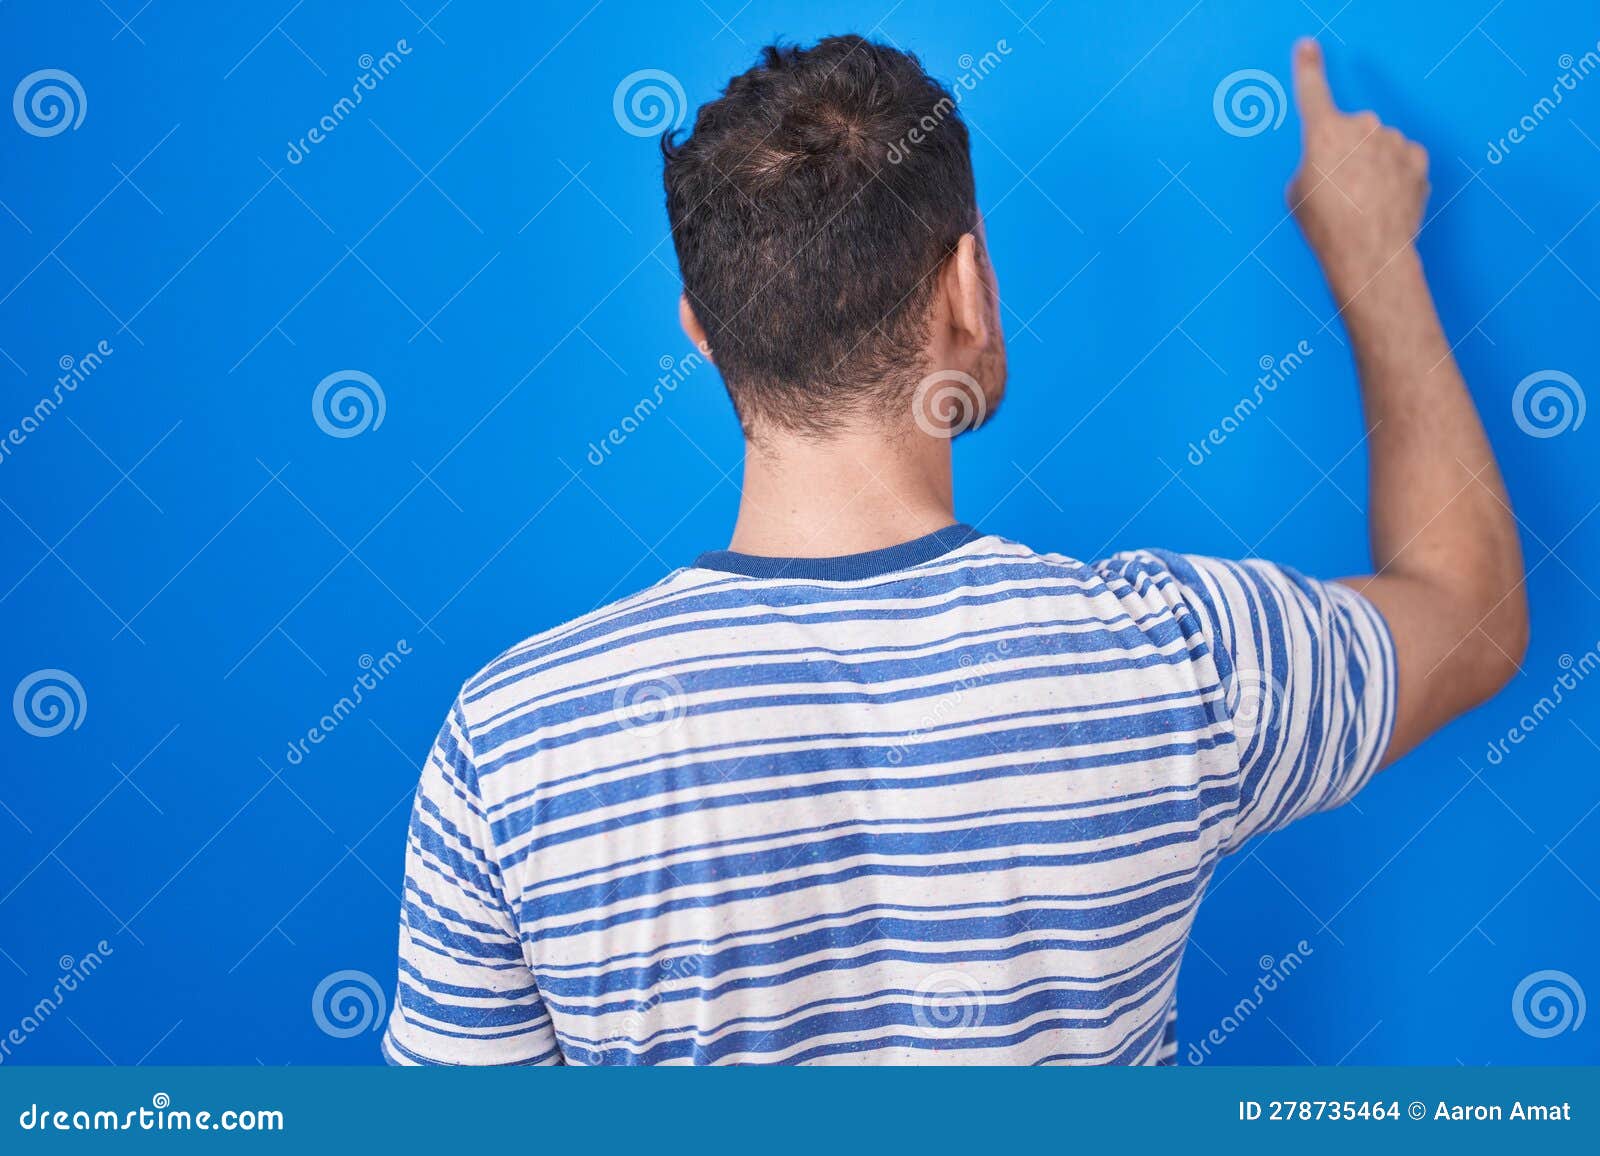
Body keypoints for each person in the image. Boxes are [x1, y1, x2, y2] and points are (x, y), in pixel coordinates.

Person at [381, 35, 1526, 1065]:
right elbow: (1470, 609)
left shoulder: (514, 741)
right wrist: (1372, 251)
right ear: (968, 291)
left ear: (702, 328)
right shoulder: (1183, 656)